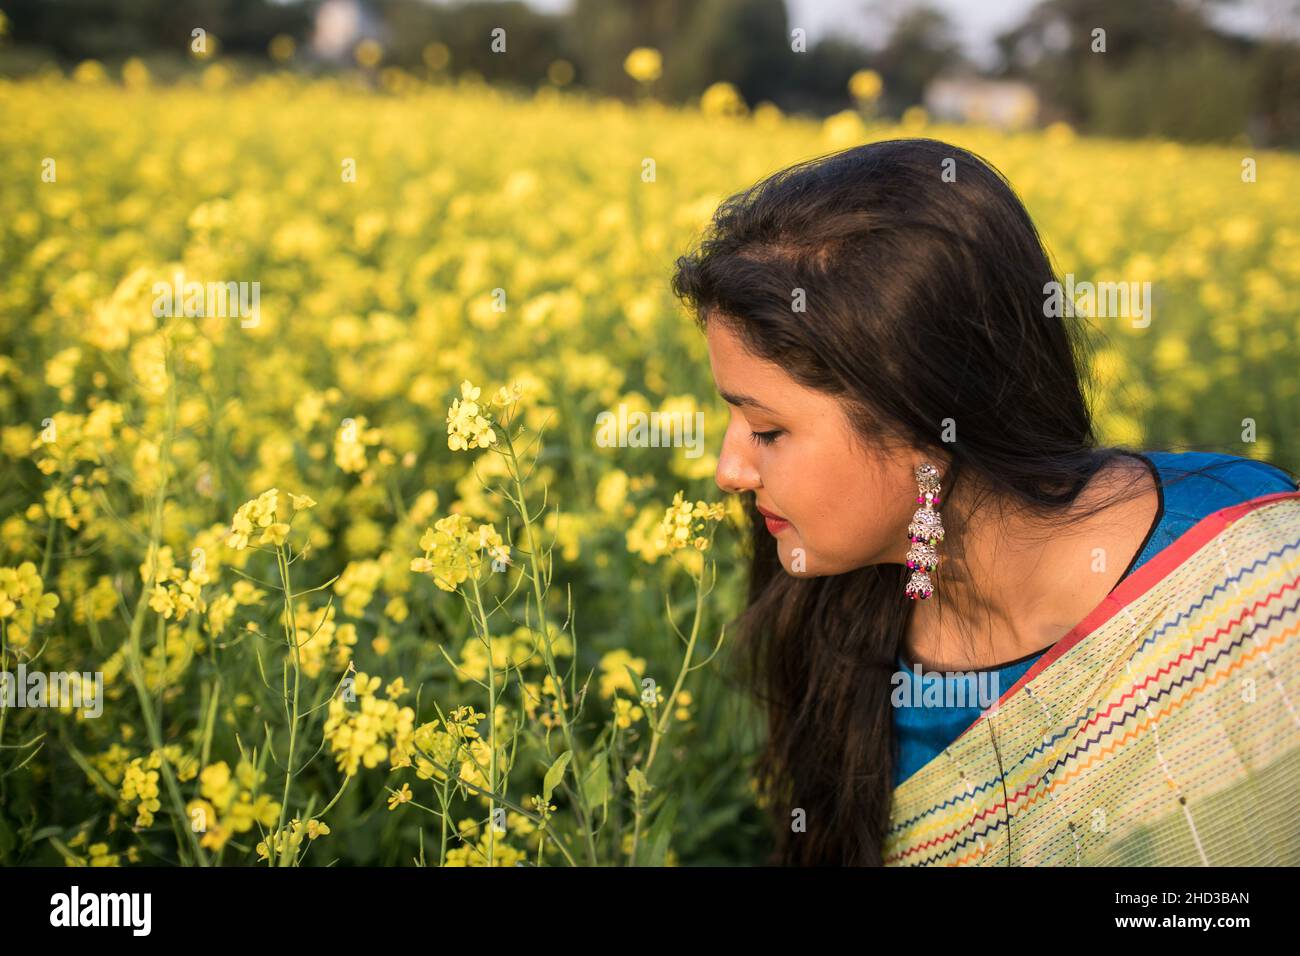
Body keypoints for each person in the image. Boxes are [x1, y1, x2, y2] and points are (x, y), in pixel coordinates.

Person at [671, 137, 1300, 866]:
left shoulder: (1259, 585)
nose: (729, 470)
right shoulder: (832, 620)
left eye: (767, 429)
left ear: (928, 426)